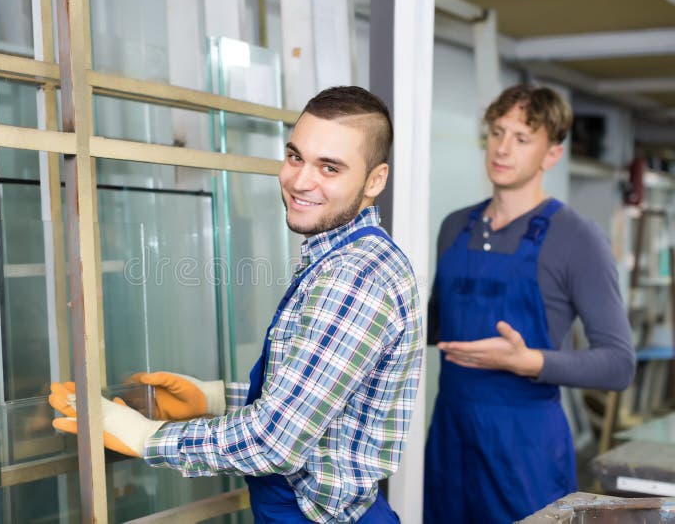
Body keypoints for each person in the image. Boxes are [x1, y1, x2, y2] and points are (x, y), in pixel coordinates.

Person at [49, 86, 424, 523]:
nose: (300, 181)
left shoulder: (354, 275)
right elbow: (319, 403)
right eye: (295, 156)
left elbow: (275, 441)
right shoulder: (346, 257)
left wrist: (145, 435)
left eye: (330, 167)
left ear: (374, 181)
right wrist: (212, 398)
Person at [423, 84, 635, 523]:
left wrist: (531, 361)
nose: (502, 149)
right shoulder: (453, 227)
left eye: (522, 138)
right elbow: (434, 328)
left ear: (551, 155)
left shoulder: (577, 238)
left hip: (524, 450)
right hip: (450, 439)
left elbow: (619, 364)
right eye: (497, 132)